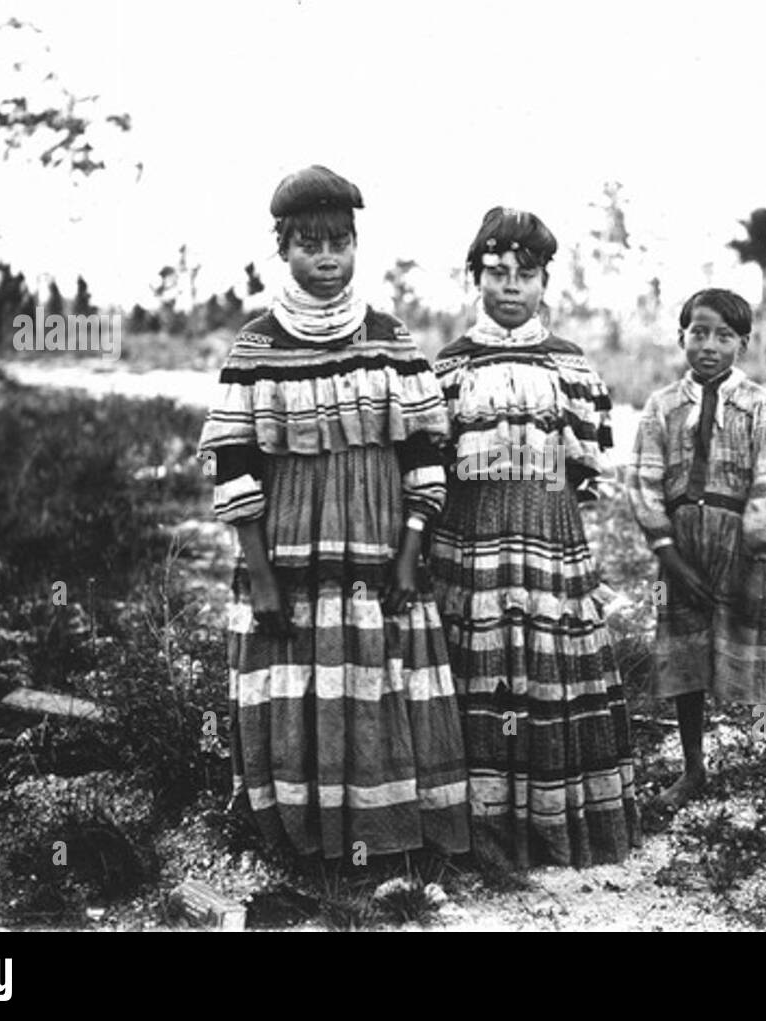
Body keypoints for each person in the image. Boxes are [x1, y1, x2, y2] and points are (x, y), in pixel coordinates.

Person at [197, 165, 469, 860]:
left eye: (340, 242)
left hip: (378, 539)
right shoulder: (256, 345)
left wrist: (411, 548)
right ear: (281, 248)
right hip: (290, 545)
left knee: (375, 668)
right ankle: (303, 829)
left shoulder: (389, 337)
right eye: (309, 243)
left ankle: (385, 833)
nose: (326, 258)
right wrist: (259, 574)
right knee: (299, 668)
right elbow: (233, 463)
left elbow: (424, 449)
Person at [429, 207, 641, 868]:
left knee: (549, 665)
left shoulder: (568, 365)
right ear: (476, 278)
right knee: (478, 667)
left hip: (549, 536)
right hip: (470, 541)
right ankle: (477, 829)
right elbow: (430, 458)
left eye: (526, 273)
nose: (511, 286)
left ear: (546, 280)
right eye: (496, 272)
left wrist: (542, 506)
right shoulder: (450, 367)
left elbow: (588, 460)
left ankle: (553, 824)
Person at [625, 288, 766, 819]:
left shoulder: (760, 405)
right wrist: (669, 555)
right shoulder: (662, 407)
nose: (708, 345)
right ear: (680, 337)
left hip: (741, 553)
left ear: (743, 342)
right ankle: (693, 768)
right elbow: (644, 482)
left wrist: (753, 555)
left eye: (723, 336)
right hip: (682, 550)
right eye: (698, 333)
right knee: (684, 658)